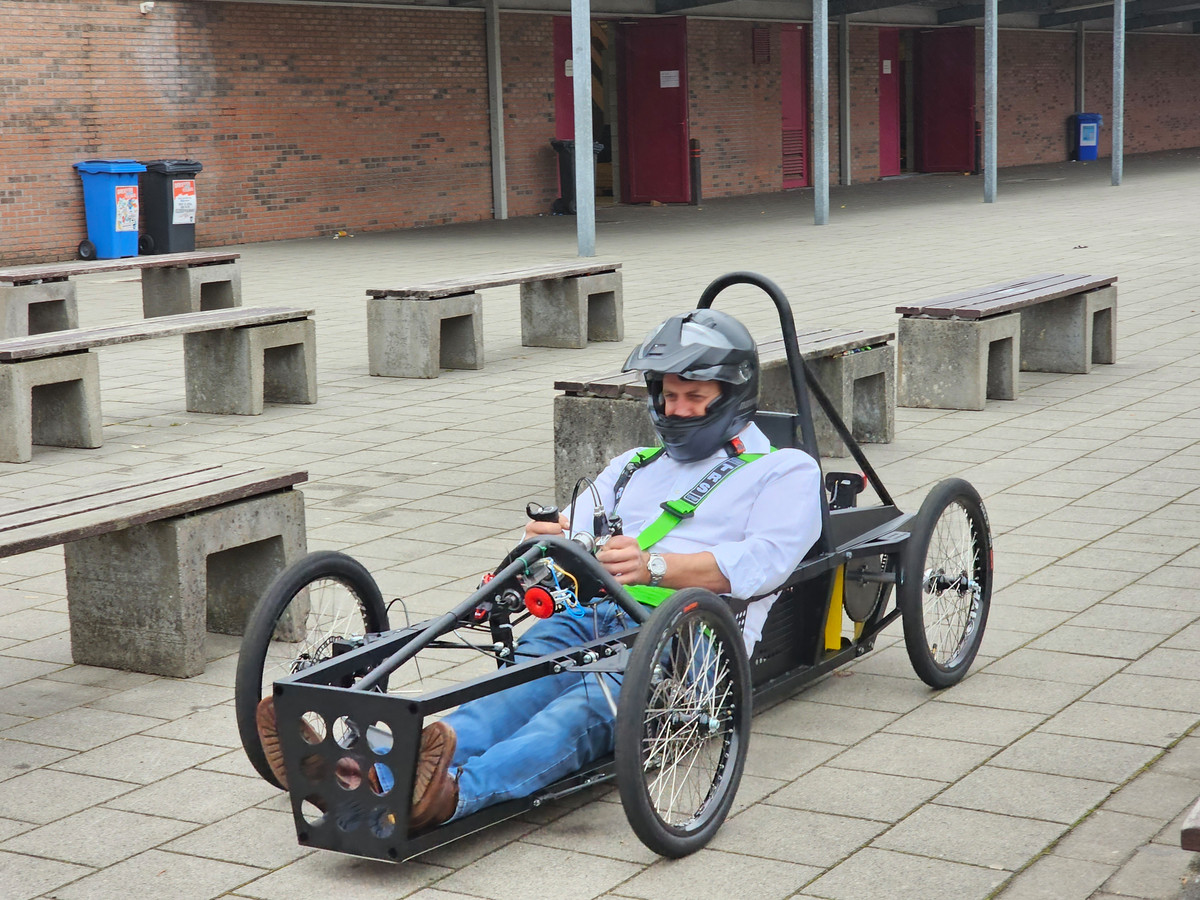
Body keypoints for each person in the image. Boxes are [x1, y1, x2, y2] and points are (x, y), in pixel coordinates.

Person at [259, 307, 824, 834]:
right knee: (507, 692)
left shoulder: (783, 471)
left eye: (692, 397)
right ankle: (373, 773)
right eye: (668, 395)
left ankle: (448, 795)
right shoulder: (635, 465)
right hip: (597, 614)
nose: (675, 410)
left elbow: (765, 562)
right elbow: (576, 525)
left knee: (570, 717)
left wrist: (658, 566)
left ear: (732, 396)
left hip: (693, 636)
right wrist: (551, 535)